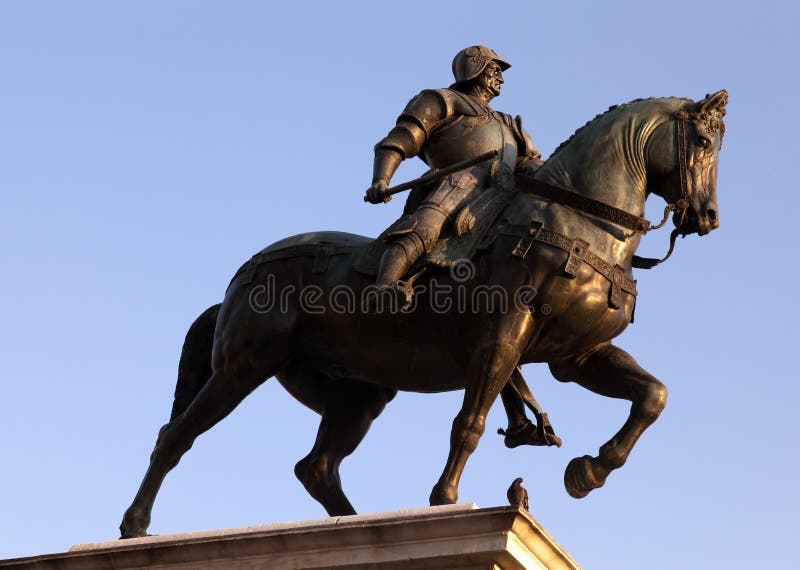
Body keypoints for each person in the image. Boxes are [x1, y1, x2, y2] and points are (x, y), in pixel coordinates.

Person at [364, 45, 542, 303]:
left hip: (505, 191)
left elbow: (533, 165)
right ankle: (383, 288)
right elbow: (400, 140)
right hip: (457, 184)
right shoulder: (442, 100)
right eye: (494, 70)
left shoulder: (510, 124)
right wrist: (381, 179)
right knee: (425, 229)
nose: (501, 78)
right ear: (474, 69)